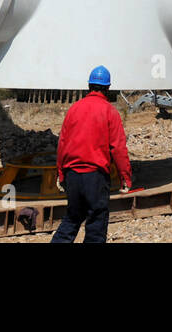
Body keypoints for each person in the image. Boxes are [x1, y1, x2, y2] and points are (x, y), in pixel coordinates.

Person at [51, 65, 133, 243]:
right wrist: (125, 177)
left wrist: (60, 173)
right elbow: (118, 148)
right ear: (108, 88)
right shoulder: (110, 111)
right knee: (96, 224)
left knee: (72, 218)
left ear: (89, 85)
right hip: (95, 178)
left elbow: (62, 144)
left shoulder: (74, 109)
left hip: (72, 175)